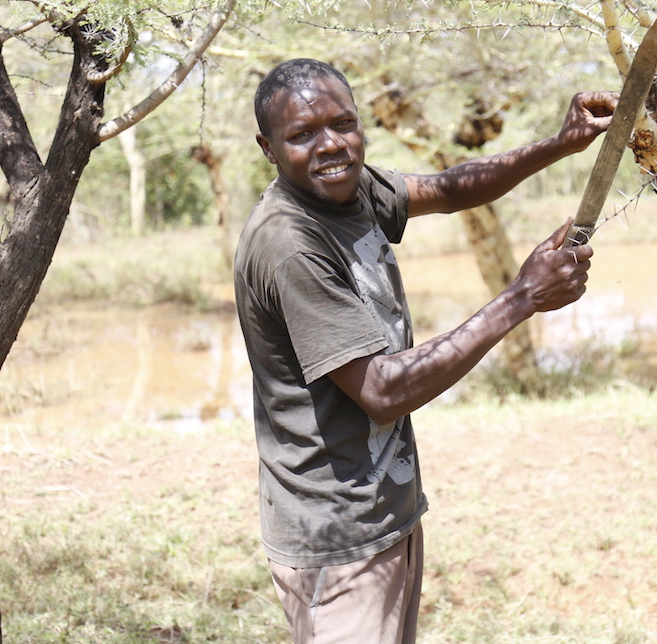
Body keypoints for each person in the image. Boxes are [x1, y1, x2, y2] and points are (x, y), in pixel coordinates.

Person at [234, 58, 618, 644]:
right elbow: (383, 390)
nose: (330, 144)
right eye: (302, 134)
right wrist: (520, 297)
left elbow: (448, 188)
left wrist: (559, 146)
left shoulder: (349, 187)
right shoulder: (291, 244)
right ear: (268, 148)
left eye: (343, 123)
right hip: (337, 535)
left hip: (383, 512)